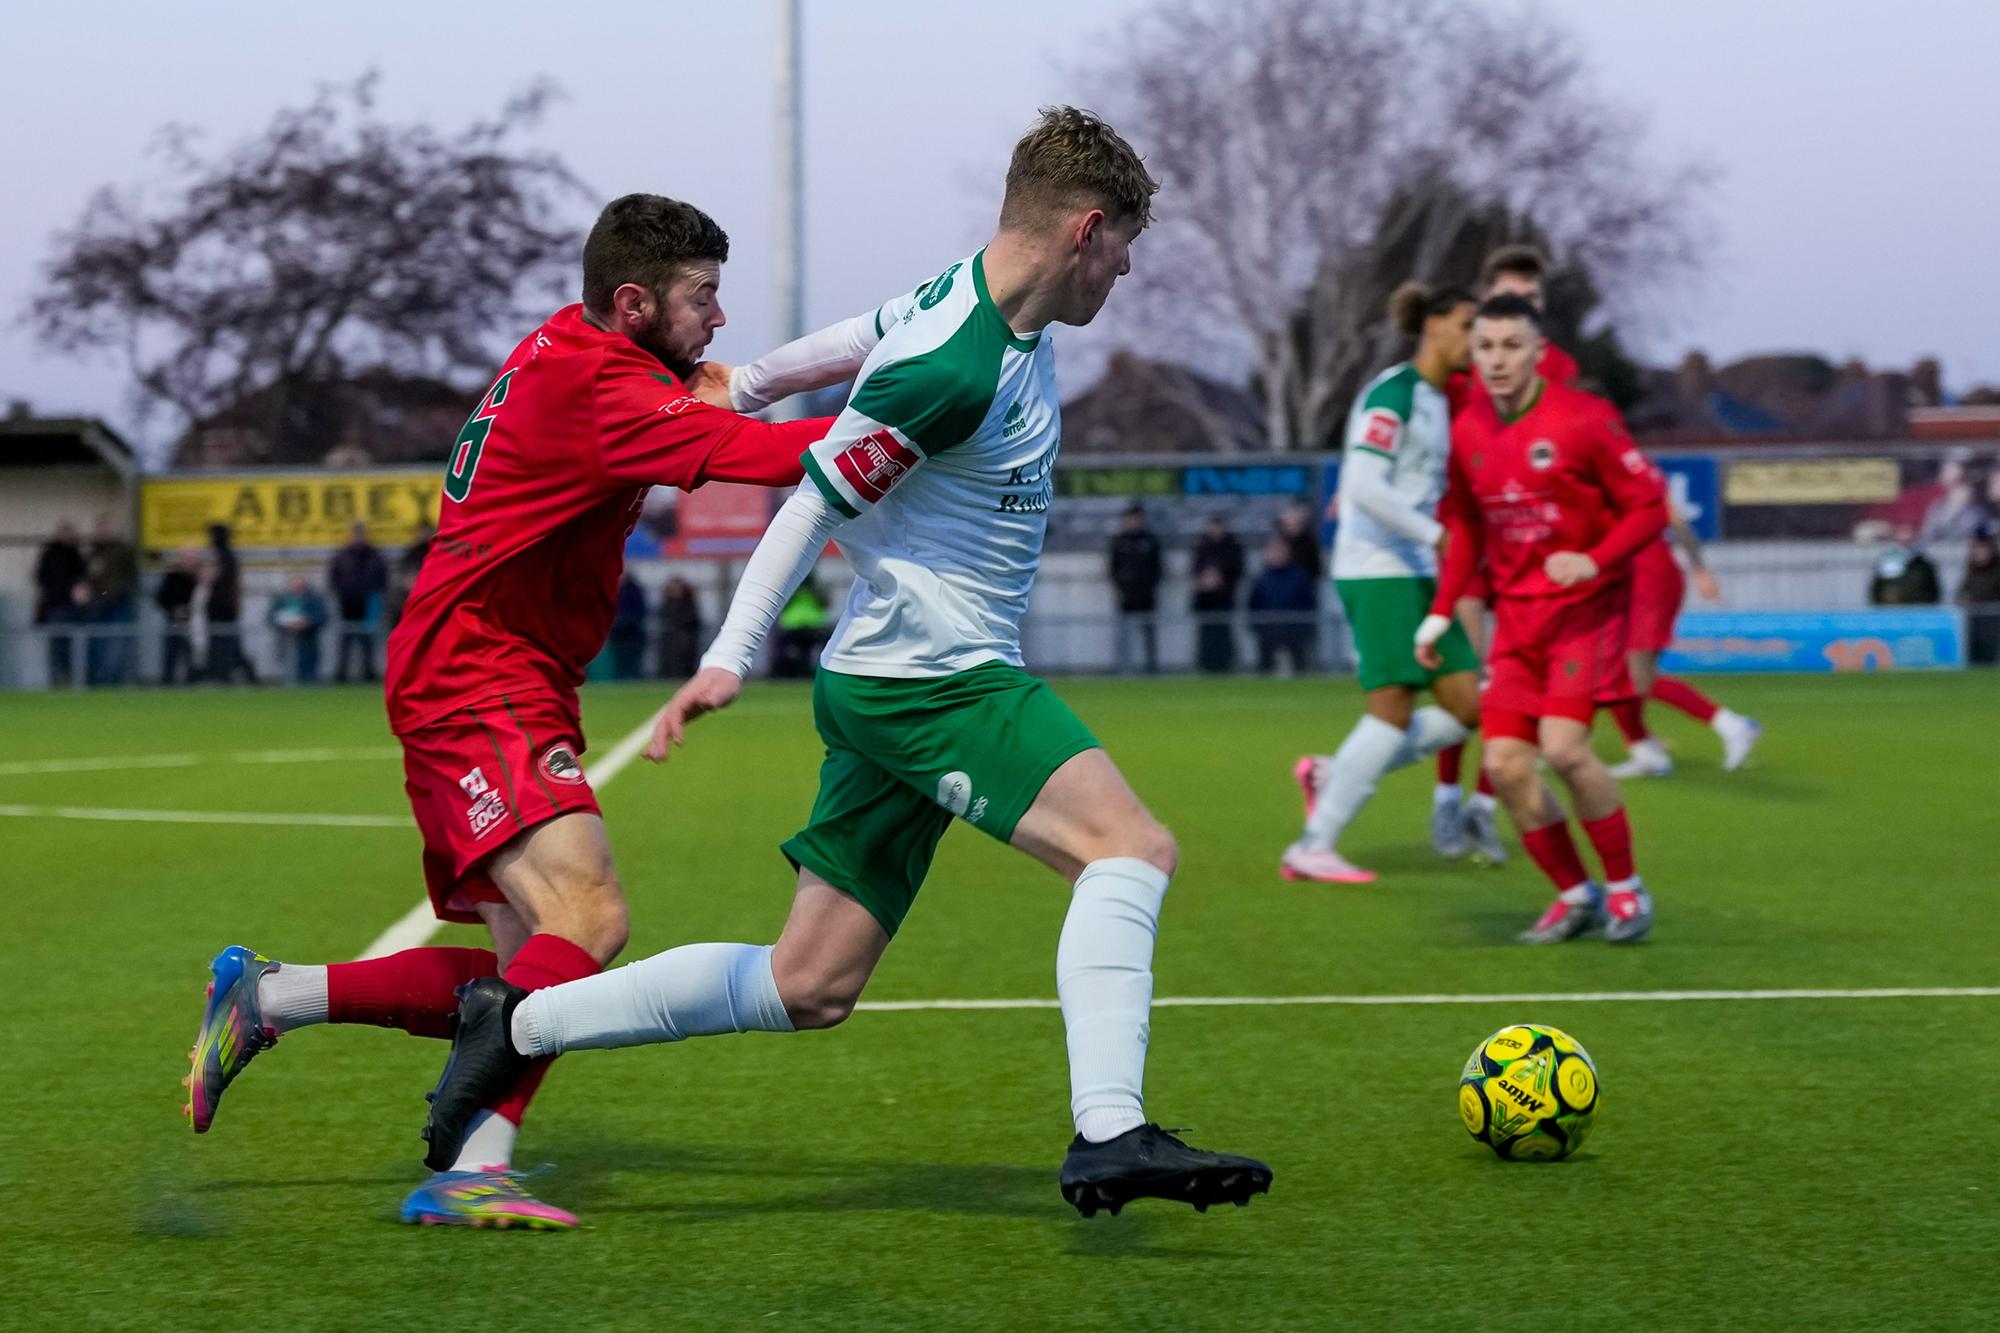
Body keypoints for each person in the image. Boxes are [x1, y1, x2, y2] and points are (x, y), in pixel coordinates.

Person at [418, 108, 1272, 1221]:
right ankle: (1109, 1130)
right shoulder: (953, 365)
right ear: (1085, 230)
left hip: (895, 679)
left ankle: (517, 1023)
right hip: (936, 680)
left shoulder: (962, 296)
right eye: (1123, 250)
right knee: (1129, 848)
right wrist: (730, 654)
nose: (1122, 272)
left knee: (806, 983)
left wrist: (755, 378)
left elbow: (860, 331)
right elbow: (812, 501)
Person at [184, 191, 920, 1229]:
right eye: (701, 297)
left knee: (529, 965)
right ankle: (468, 1169)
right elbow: (754, 458)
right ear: (632, 302)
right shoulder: (599, 380)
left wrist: (814, 379)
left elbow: (716, 409)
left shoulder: (582, 356)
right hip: (475, 673)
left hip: (499, 670)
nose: (716, 320)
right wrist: (912, 427)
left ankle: (271, 999)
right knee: (590, 917)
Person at [1419, 294, 1668, 945]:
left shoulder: (1585, 418)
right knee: (1504, 766)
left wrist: (1592, 559)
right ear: (1473, 355)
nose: (1497, 358)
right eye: (1486, 346)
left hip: (1585, 613)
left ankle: (1625, 889)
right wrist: (1441, 612)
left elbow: (1650, 508)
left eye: (1510, 346)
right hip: (1519, 622)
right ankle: (1574, 893)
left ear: (1537, 354)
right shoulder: (1469, 427)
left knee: (1562, 748)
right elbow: (1468, 523)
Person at [1281, 283, 1485, 885]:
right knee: (1392, 711)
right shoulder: (1393, 393)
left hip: (1413, 572)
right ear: (1436, 325)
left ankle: (1330, 774)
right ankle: (1313, 846)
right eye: (1469, 323)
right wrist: (1436, 535)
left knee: (1466, 708)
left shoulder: (1437, 398)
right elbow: (1364, 486)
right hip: (1379, 569)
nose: (1477, 338)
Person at [1430, 245, 1579, 855]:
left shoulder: (1561, 371)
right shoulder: (1457, 372)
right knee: (1470, 679)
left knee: (1513, 691)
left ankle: (1487, 805)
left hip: (1529, 552)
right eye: (1502, 299)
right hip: (1466, 540)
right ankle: (1446, 801)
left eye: (1531, 301)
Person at [1603, 504, 1762, 777]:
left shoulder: (1627, 475)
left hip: (1648, 581)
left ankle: (1728, 727)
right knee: (1614, 673)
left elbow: (1676, 520)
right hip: (1619, 581)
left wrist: (1700, 570)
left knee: (1631, 677)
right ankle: (1645, 747)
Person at [328, 523, 388, 682]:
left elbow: (382, 578)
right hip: (346, 600)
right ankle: (341, 672)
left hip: (368, 600)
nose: (358, 538)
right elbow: (334, 578)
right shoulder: (342, 556)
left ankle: (368, 671)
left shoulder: (374, 556)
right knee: (345, 638)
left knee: (368, 638)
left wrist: (376, 593)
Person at [1248, 536, 1317, 675]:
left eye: (1279, 551)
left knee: (1301, 667)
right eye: (1273, 551)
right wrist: (1256, 626)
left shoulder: (1299, 576)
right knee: (1265, 668)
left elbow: (1309, 602)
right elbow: (1253, 603)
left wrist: (1305, 626)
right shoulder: (1261, 577)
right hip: (1268, 630)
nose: (1276, 554)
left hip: (1295, 630)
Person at [1107, 503, 1163, 673]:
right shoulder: (1119, 541)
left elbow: (1158, 569)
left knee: (1149, 633)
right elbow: (1112, 569)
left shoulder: (1151, 540)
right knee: (1124, 634)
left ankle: (1151, 667)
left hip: (1147, 595)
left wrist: (1150, 587)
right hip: (1126, 595)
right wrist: (1120, 588)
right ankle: (1122, 668)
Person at [84, 513, 138, 686]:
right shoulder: (93, 552)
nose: (104, 532)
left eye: (107, 528)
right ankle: (98, 680)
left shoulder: (123, 550)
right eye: (101, 528)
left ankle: (116, 681)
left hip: (119, 603)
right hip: (98, 605)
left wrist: (120, 591)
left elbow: (132, 575)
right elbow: (89, 577)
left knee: (117, 643)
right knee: (97, 644)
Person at [201, 523, 259, 684]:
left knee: (222, 643)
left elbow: (209, 578)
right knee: (230, 642)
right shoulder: (230, 556)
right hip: (228, 606)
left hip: (219, 605)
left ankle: (223, 674)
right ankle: (241, 674)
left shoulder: (219, 556)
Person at [34, 520, 87, 688]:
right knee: (56, 646)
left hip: (74, 609)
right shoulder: (50, 554)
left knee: (73, 647)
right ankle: (56, 680)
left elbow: (84, 578)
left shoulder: (77, 554)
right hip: (55, 607)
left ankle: (72, 679)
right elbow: (41, 578)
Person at [1190, 514, 1244, 673]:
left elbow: (1238, 570)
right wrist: (1204, 581)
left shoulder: (1232, 547)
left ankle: (1226, 664)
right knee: (1206, 634)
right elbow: (1195, 570)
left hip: (1225, 598)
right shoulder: (1201, 547)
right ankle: (1206, 664)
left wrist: (1221, 579)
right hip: (1205, 600)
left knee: (1224, 633)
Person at [267, 573, 330, 683]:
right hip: (286, 638)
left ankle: (310, 686)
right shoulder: (281, 599)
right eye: (295, 583)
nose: (297, 586)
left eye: (300, 583)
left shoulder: (314, 598)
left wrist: (308, 622)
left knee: (309, 670)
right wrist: (286, 623)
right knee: (287, 665)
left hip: (308, 639)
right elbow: (271, 617)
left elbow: (322, 616)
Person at [156, 548, 201, 684]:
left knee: (192, 655)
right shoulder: (172, 576)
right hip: (174, 622)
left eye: (191, 559)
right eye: (186, 558)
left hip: (194, 623)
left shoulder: (199, 577)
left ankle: (192, 681)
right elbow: (161, 598)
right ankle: (167, 683)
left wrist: (190, 611)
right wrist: (173, 610)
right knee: (171, 654)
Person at [771, 577, 831, 678]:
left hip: (806, 625)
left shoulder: (815, 590)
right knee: (794, 652)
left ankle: (805, 671)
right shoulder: (792, 589)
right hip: (798, 626)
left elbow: (826, 602)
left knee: (806, 652)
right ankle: (787, 671)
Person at [1869, 527, 1942, 605]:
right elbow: (1877, 589)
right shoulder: (1885, 562)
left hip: (1917, 611)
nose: (1905, 542)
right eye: (1901, 537)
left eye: (1908, 538)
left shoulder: (1924, 565)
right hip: (1890, 611)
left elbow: (1932, 591)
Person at [1960, 524, 2000, 665]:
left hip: (1994, 626)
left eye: (1981, 547)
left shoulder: (1996, 569)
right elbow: (1963, 591)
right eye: (1975, 547)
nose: (1978, 551)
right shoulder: (1971, 568)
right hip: (1973, 625)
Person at [657, 576, 703, 678]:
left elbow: (692, 618)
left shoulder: (688, 601)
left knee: (686, 657)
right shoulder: (667, 601)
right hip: (670, 636)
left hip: (686, 635)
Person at [608, 572, 648, 680]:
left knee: (632, 658)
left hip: (632, 631)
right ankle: (620, 678)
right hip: (618, 631)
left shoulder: (633, 590)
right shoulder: (612, 589)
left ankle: (632, 678)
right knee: (619, 658)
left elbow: (640, 611)